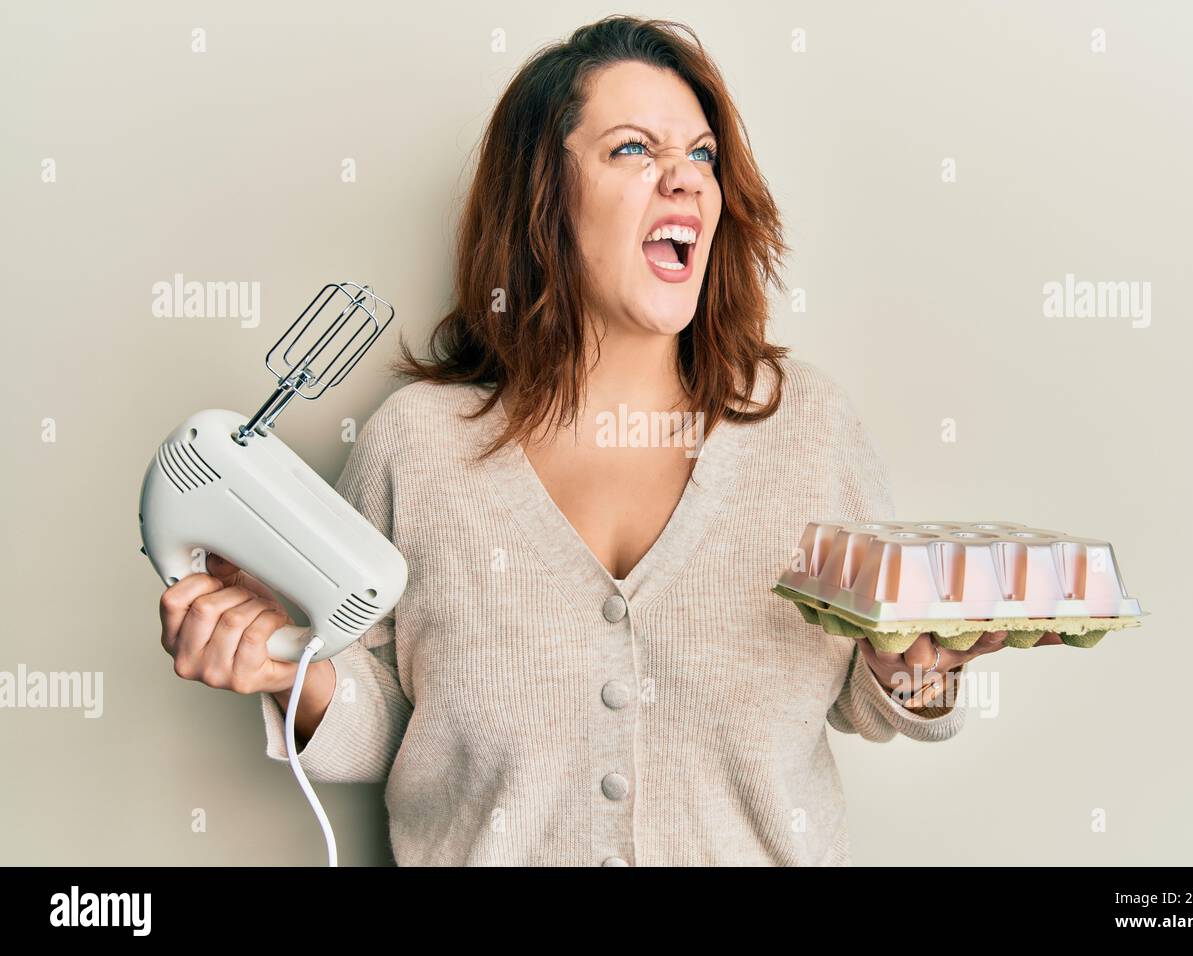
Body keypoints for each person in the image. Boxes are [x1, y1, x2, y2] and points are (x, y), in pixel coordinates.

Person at [158, 15, 1059, 866]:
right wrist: (282, 662)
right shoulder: (417, 448)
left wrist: (921, 676)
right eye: (634, 148)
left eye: (701, 154)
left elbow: (866, 695)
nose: (686, 178)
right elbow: (384, 721)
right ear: (543, 199)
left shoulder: (808, 427)